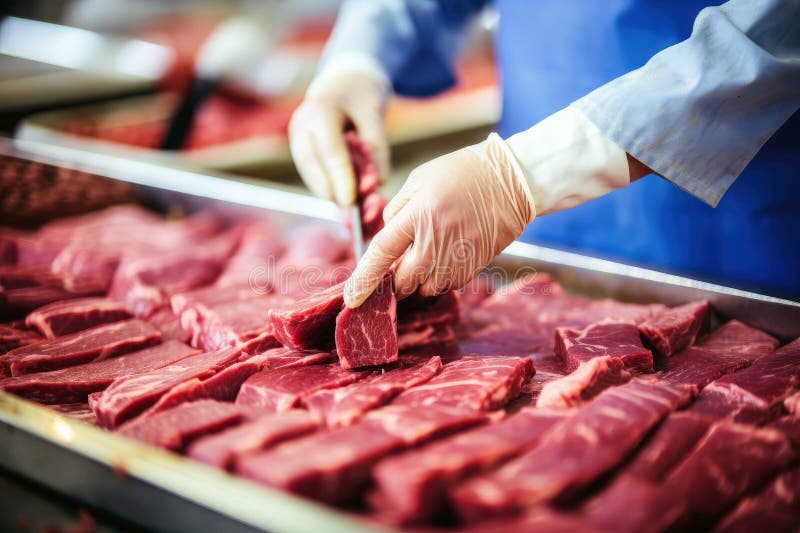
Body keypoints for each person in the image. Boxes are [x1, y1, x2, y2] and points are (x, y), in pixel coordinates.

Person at [289, 0, 800, 308]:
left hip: (737, 236)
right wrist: (358, 60)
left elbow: (778, 27)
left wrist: (519, 177)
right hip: (537, 245)